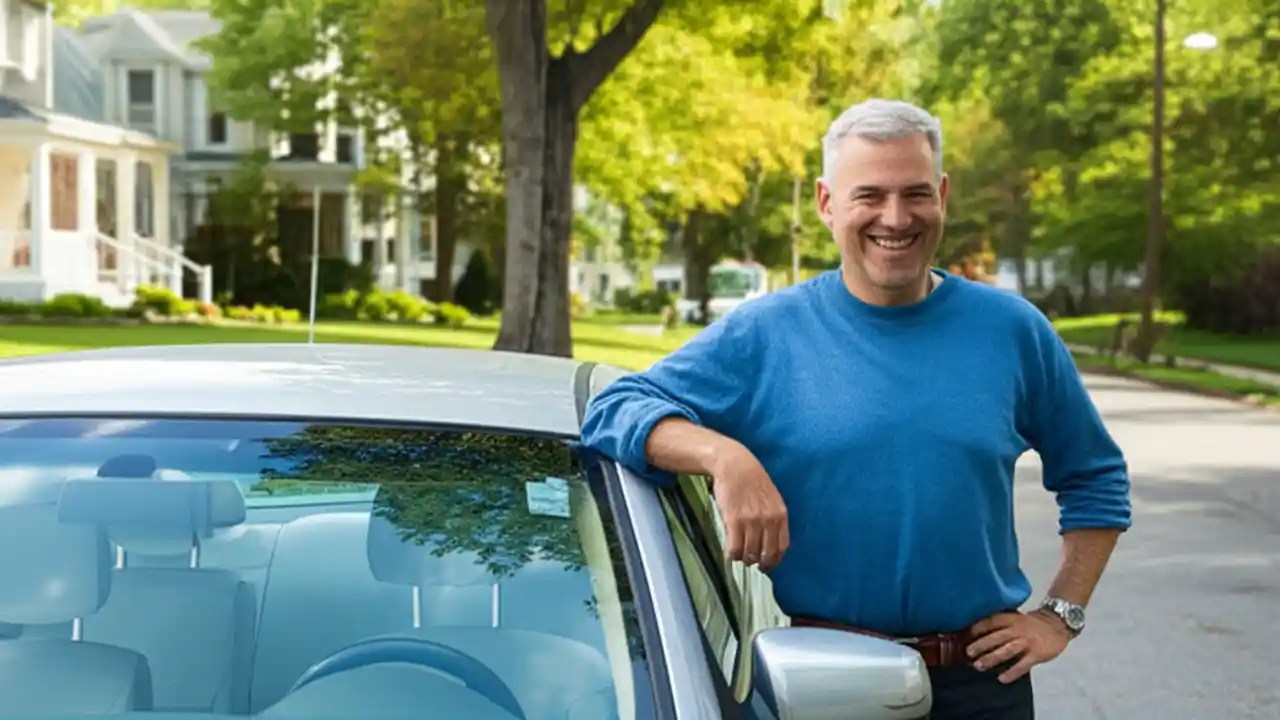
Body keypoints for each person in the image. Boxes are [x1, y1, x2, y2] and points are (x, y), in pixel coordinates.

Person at [579, 98, 1132, 719]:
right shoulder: (766, 334)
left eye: (915, 194)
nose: (895, 218)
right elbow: (613, 409)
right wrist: (724, 456)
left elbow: (1095, 478)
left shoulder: (1012, 330)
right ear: (826, 203)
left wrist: (1059, 616)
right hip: (820, 684)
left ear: (942, 195)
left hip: (980, 687)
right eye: (869, 195)